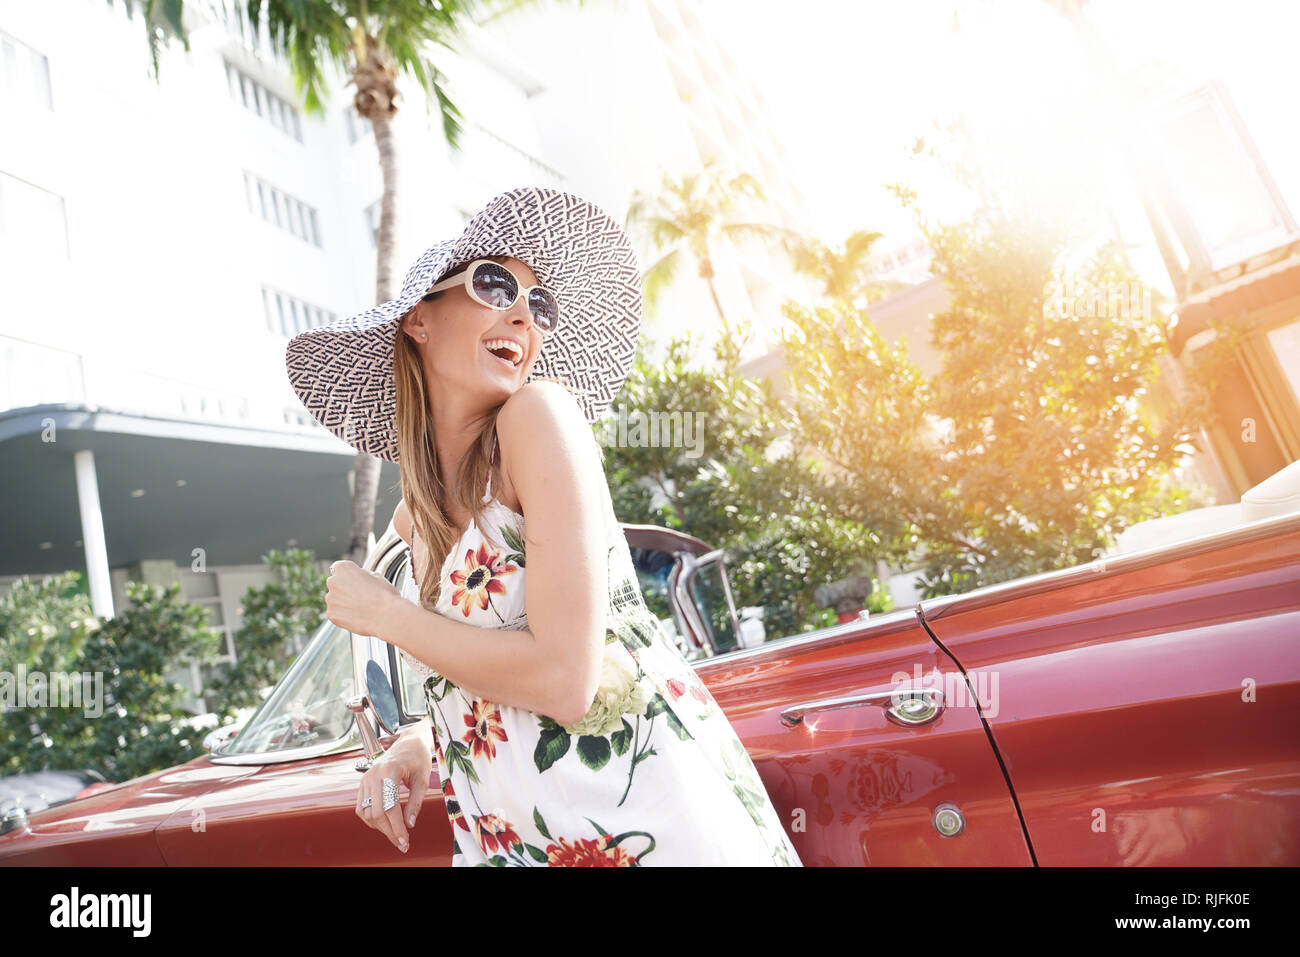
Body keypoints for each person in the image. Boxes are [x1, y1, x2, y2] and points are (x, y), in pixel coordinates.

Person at [286, 186, 802, 866]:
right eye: (495, 285)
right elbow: (466, 666)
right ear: (419, 319)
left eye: (540, 304)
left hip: (638, 824)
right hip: (516, 835)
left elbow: (564, 679)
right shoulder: (415, 514)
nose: (525, 316)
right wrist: (416, 739)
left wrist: (388, 615)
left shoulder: (538, 418)